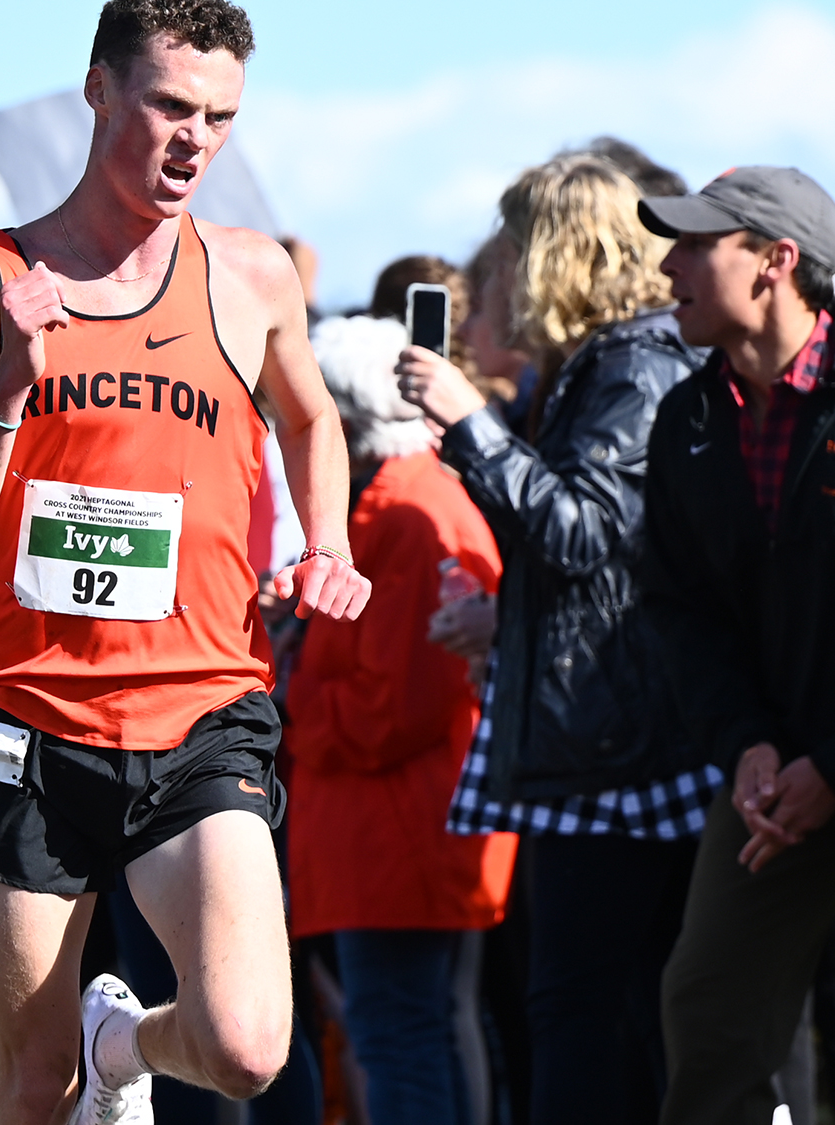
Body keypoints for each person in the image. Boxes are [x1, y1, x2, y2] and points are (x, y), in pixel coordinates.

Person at [0, 1, 372, 1118]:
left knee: (247, 1043)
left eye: (218, 117)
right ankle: (83, 1060)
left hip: (200, 708)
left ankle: (123, 1047)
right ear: (98, 89)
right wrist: (7, 393)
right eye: (167, 104)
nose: (192, 140)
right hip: (26, 720)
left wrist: (327, 543)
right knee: (28, 1080)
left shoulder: (250, 277)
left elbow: (309, 421)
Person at [396, 152, 713, 1124]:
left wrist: (467, 427)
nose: (499, 270)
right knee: (609, 1013)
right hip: (610, 738)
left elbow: (578, 531)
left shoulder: (630, 365)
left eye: (514, 249)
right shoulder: (611, 363)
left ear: (556, 255)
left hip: (615, 751)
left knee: (577, 1010)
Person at [634, 166, 835, 1125]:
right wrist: (746, 745)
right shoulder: (689, 422)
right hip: (766, 782)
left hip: (818, 766)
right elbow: (681, 611)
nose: (667, 264)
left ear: (775, 262)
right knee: (709, 1004)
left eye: (695, 244)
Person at [287, 313, 515, 1125]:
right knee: (427, 1033)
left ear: (345, 422)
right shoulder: (407, 502)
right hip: (402, 835)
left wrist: (285, 697)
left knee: (401, 1039)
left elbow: (392, 707)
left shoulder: (403, 516)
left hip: (396, 839)